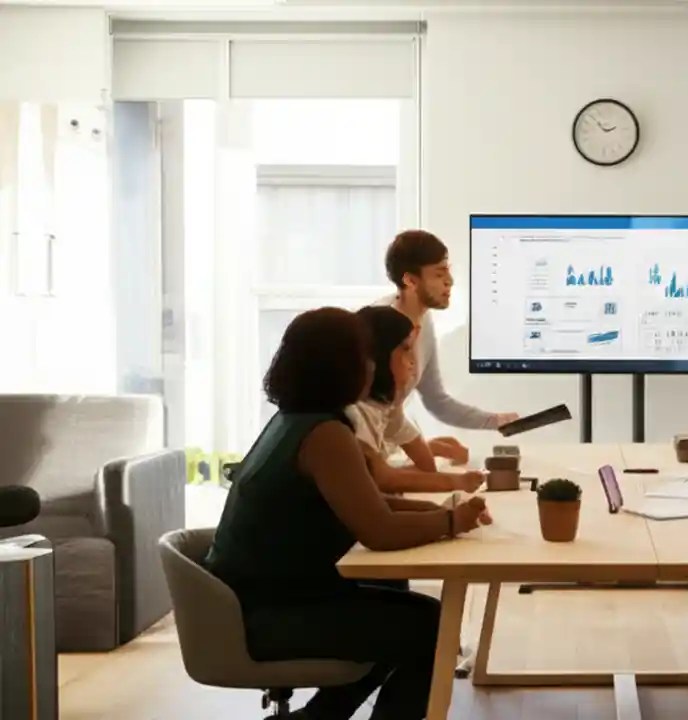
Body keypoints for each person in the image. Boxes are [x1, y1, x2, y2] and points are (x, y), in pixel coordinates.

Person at [204, 307, 493, 720]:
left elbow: (368, 501)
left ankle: (318, 718)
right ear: (344, 366)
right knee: (431, 628)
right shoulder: (326, 436)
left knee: (404, 607)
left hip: (250, 602)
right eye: (365, 356)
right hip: (267, 616)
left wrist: (446, 512)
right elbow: (379, 529)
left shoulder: (292, 422)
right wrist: (450, 522)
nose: (372, 365)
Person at [377, 230, 518, 464]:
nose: (449, 281)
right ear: (410, 280)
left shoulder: (424, 322)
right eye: (439, 273)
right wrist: (421, 451)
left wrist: (495, 420)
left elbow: (436, 401)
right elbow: (377, 413)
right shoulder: (379, 327)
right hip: (366, 458)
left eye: (448, 271)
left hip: (387, 452)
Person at [348, 305, 484, 494]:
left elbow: (426, 466)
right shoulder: (355, 414)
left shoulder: (385, 407)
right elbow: (383, 480)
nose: (413, 361)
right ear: (377, 356)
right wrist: (458, 482)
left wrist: (432, 449)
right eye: (406, 349)